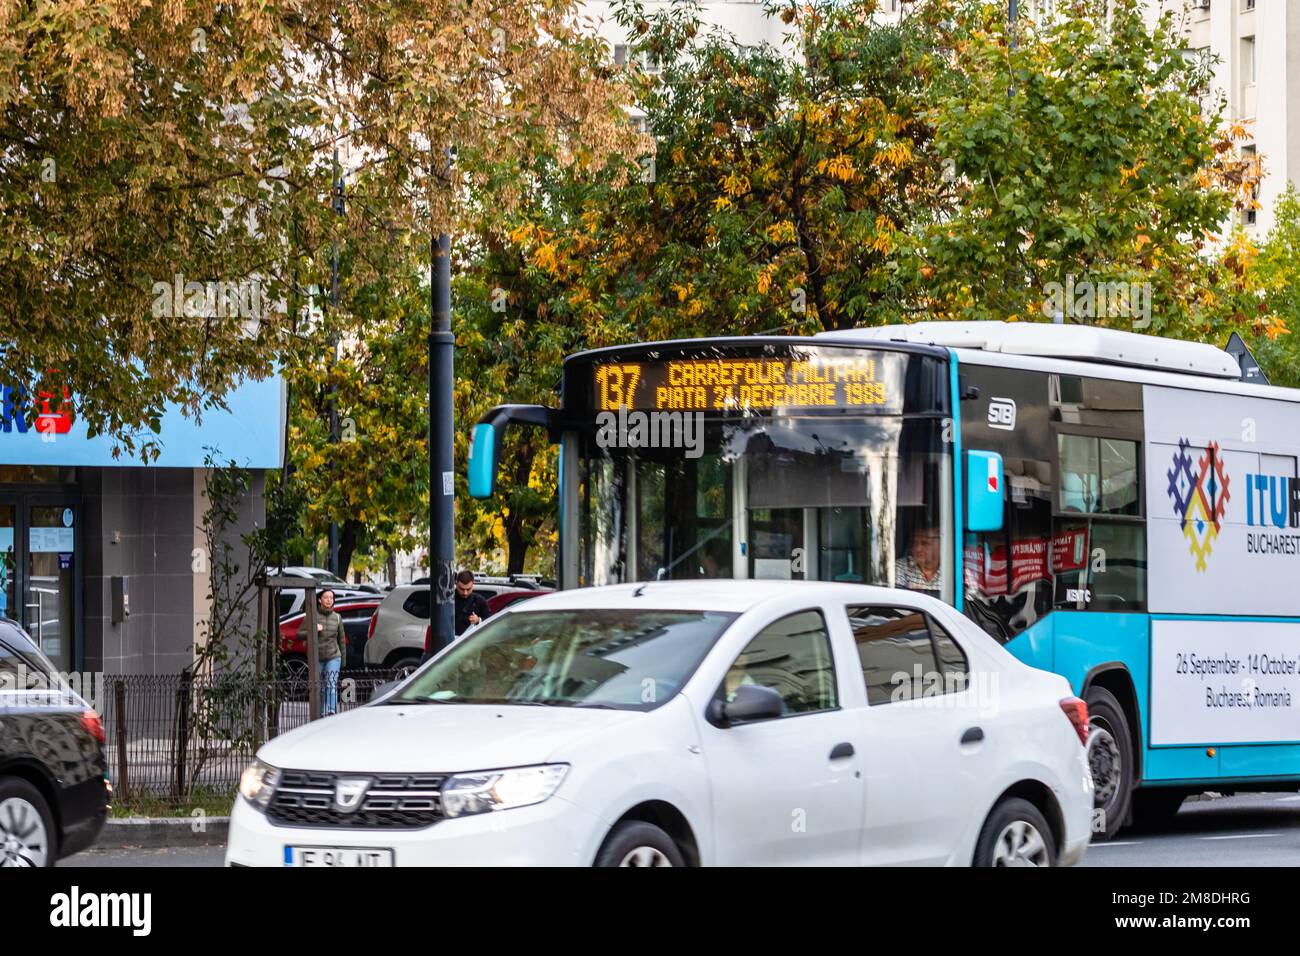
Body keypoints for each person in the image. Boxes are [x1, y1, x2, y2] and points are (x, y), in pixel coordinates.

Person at [314, 589, 345, 716]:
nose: (328, 600)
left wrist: (343, 661)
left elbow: (342, 640)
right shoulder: (313, 616)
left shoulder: (337, 617)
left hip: (334, 656)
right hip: (318, 656)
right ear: (319, 600)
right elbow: (300, 635)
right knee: (320, 686)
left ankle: (332, 711)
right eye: (326, 597)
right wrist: (313, 629)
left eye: (331, 598)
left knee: (331, 684)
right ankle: (322, 711)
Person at [896, 525, 943, 595]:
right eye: (915, 543)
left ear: (939, 546)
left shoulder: (952, 572)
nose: (918, 549)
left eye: (925, 543)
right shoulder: (900, 567)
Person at [454, 570, 491, 637]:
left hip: (472, 641)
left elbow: (490, 620)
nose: (465, 593)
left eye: (468, 589)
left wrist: (478, 620)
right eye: (462, 589)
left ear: (472, 585)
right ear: (456, 584)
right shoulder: (448, 599)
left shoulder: (479, 600)